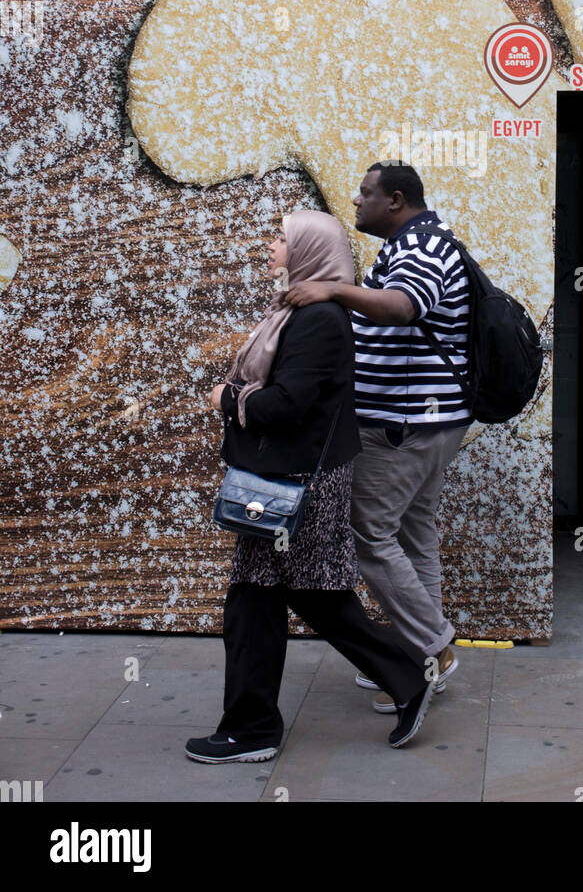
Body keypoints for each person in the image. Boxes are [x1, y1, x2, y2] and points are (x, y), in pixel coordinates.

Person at [185, 209, 436, 763]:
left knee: (294, 597)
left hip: (300, 484)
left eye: (282, 238)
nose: (271, 246)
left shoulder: (317, 320)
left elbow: (288, 404)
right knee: (272, 598)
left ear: (308, 252)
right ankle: (256, 724)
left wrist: (229, 399)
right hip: (285, 479)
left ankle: (254, 729)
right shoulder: (297, 311)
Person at [285, 164, 472, 714]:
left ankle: (433, 648)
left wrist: (332, 290)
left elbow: (403, 307)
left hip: (403, 426)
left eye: (365, 194)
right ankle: (422, 656)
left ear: (394, 200)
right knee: (414, 533)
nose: (356, 201)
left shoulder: (421, 246)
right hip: (420, 423)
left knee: (371, 535)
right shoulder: (416, 242)